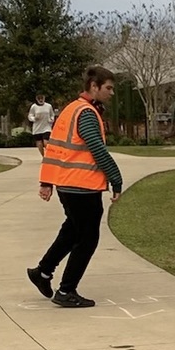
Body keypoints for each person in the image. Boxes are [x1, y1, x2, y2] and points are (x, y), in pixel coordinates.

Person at [26, 66, 123, 308]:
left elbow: (54, 150)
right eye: (108, 88)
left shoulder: (71, 109)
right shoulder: (87, 113)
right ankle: (66, 290)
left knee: (72, 230)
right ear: (94, 86)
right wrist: (116, 178)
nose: (112, 93)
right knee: (88, 238)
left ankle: (43, 272)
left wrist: (47, 181)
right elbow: (97, 149)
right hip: (81, 185)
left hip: (67, 184)